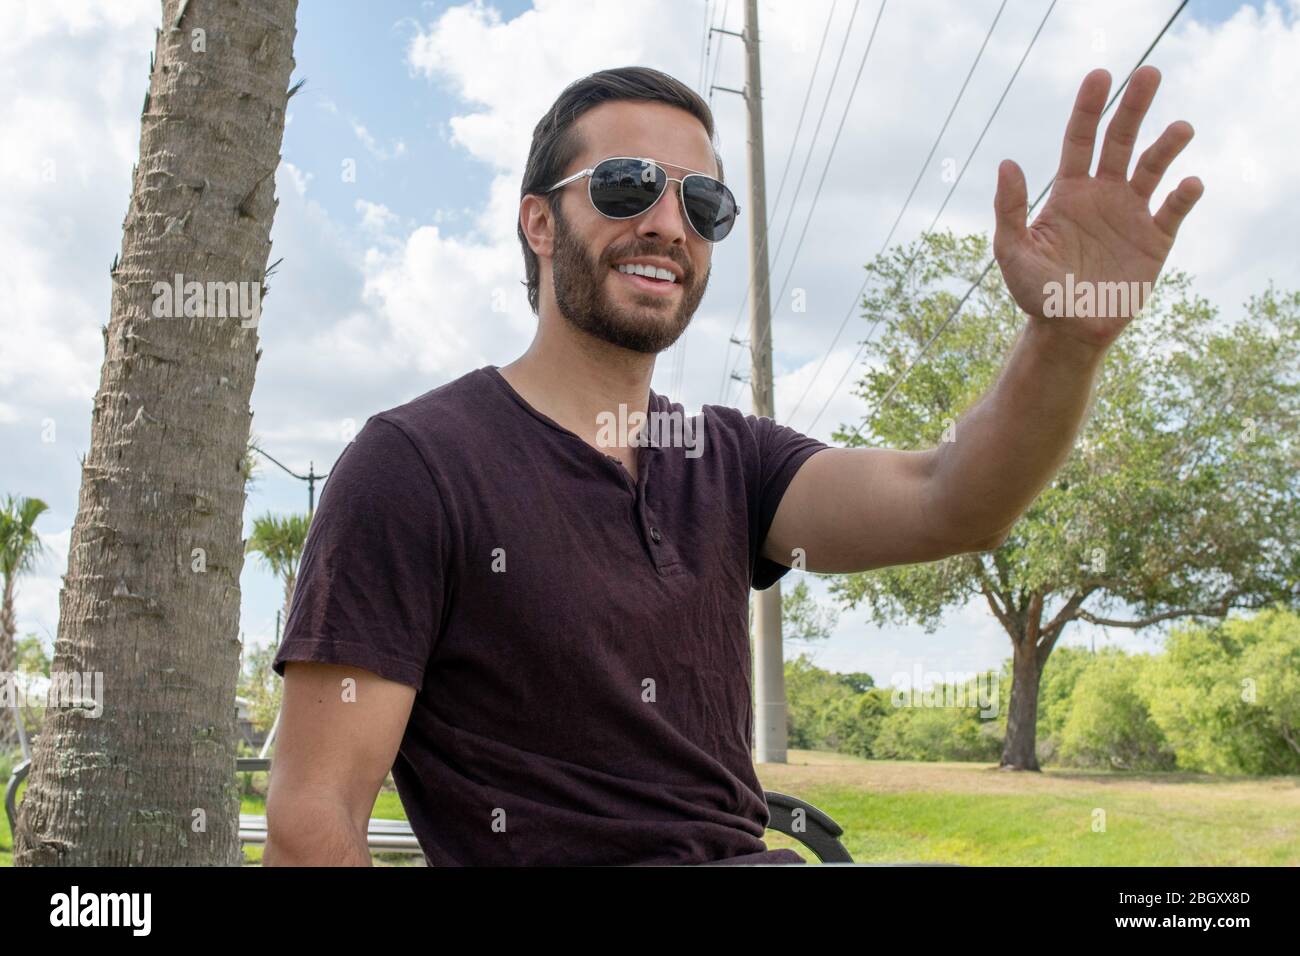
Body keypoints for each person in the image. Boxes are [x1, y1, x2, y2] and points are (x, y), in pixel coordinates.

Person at [264, 64, 1201, 866]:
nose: (671, 224)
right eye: (628, 185)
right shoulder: (416, 466)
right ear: (540, 226)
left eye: (703, 202)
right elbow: (314, 819)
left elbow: (950, 498)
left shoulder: (728, 458)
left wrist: (1065, 340)